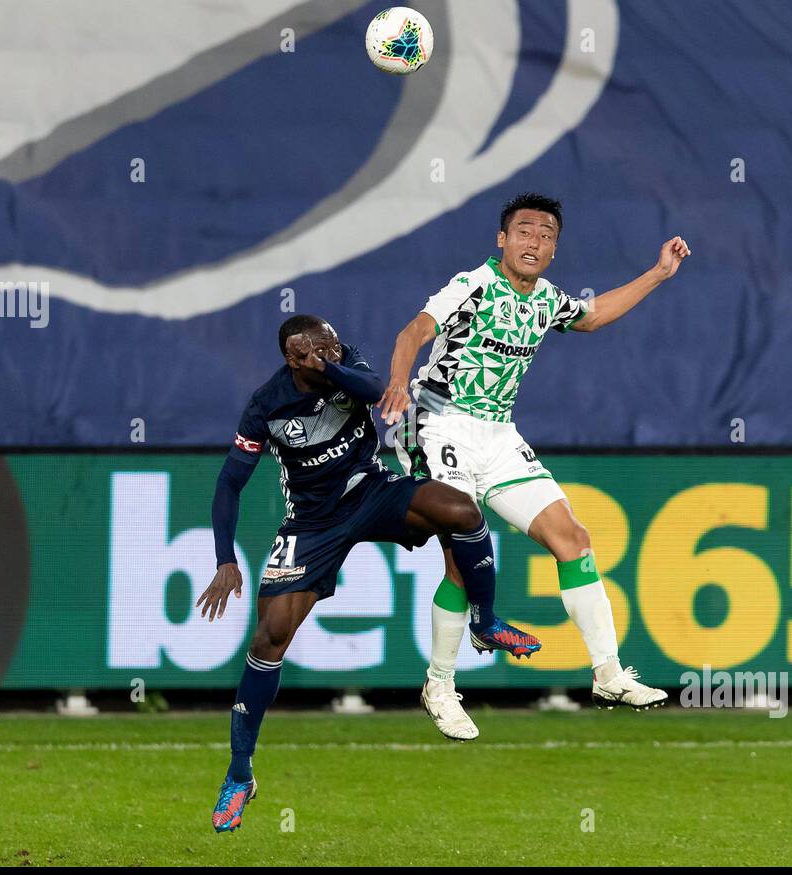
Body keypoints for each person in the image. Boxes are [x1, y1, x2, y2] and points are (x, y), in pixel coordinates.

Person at [196, 314, 539, 832]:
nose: (332, 350)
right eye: (318, 349)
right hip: (312, 523)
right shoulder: (267, 405)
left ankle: (484, 621)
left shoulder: (344, 361)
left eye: (333, 342)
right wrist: (225, 560)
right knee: (270, 638)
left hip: (373, 490)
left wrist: (330, 364)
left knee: (463, 512)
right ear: (293, 359)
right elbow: (229, 484)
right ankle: (240, 775)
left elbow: (375, 389)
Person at [379, 192, 689, 738]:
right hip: (437, 422)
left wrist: (658, 274)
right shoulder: (471, 285)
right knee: (462, 557)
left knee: (573, 539)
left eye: (547, 236)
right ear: (502, 239)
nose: (535, 242)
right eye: (524, 231)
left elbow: (592, 317)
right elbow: (414, 332)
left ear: (553, 251)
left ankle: (608, 673)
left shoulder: (545, 300)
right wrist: (400, 382)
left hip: (498, 435)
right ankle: (441, 685)